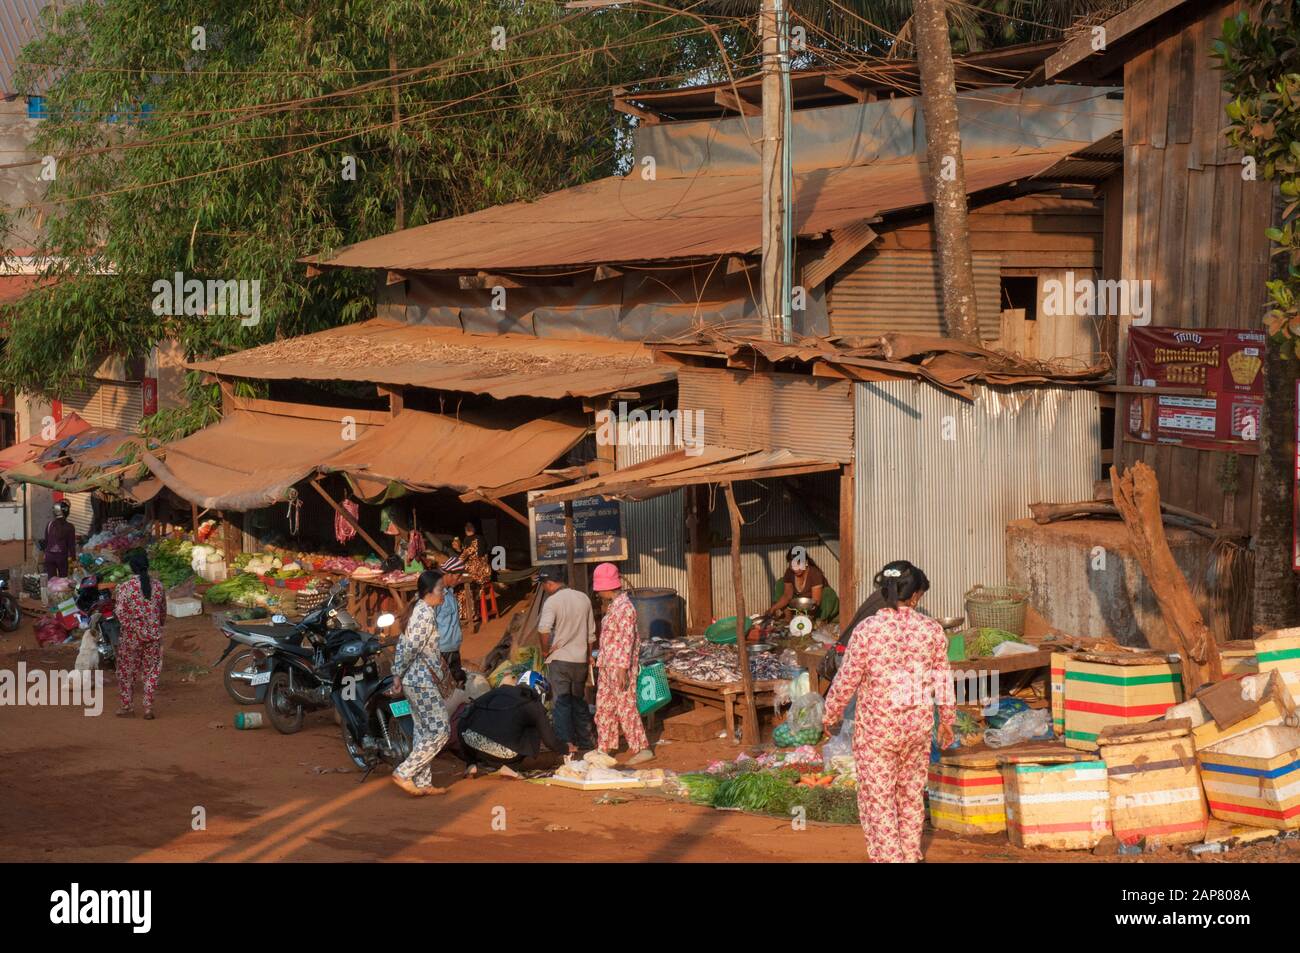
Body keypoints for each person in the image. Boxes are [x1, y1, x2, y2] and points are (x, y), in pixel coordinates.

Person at [822, 560, 954, 863]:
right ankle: (909, 856)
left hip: (877, 734)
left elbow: (847, 679)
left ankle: (891, 859)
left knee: (879, 801)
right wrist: (947, 720)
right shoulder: (931, 630)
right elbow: (943, 679)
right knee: (910, 798)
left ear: (884, 591)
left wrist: (831, 714)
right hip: (917, 730)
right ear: (916, 595)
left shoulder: (867, 630)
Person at [391, 570, 454, 797]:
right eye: (440, 589)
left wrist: (398, 673)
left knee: (423, 731)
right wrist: (397, 673)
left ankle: (423, 783)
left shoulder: (419, 609)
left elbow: (403, 644)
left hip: (415, 680)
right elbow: (410, 647)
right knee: (441, 731)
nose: (444, 592)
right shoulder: (424, 614)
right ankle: (404, 772)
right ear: (428, 592)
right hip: (421, 682)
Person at [592, 562, 654, 765]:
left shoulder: (625, 608)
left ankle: (642, 748)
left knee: (626, 707)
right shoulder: (614, 607)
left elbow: (626, 640)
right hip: (607, 666)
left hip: (620, 667)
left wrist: (622, 669)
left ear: (606, 587)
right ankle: (604, 747)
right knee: (604, 707)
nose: (598, 593)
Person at [457, 671, 568, 778]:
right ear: (540, 689)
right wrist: (566, 749)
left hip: (471, 743)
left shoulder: (499, 691)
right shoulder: (534, 705)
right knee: (531, 729)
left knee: (470, 718)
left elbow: (471, 709)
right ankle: (511, 767)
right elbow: (550, 741)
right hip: (506, 756)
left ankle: (471, 764)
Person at [536, 568, 597, 752]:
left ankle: (567, 744)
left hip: (560, 660)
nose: (544, 589)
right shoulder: (583, 598)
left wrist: (545, 651)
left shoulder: (551, 602)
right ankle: (587, 742)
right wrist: (587, 656)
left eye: (544, 585)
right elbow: (591, 635)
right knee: (579, 701)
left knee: (561, 703)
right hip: (580, 660)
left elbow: (543, 630)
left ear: (549, 583)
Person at [114, 551, 166, 720]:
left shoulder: (125, 587)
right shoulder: (158, 586)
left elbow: (120, 614)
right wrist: (154, 627)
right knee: (151, 671)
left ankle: (127, 706)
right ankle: (148, 708)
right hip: (154, 636)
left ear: (131, 567)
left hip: (131, 637)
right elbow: (162, 613)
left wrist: (135, 629)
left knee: (126, 671)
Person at [768, 547, 839, 623]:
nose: (795, 569)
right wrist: (773, 608)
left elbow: (816, 601)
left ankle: (818, 620)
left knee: (828, 593)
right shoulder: (789, 572)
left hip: (817, 607)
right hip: (799, 604)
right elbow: (787, 596)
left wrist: (806, 618)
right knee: (780, 583)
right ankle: (788, 617)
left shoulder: (814, 573)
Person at [452, 521, 492, 630]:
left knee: (462, 587)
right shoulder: (481, 538)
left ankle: (470, 614)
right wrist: (459, 550)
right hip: (485, 572)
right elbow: (469, 554)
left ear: (466, 531)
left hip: (477, 574)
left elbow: (464, 556)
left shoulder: (470, 540)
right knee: (465, 584)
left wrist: (451, 564)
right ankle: (474, 613)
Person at [435, 555, 467, 689]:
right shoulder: (437, 596)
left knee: (458, 682)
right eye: (457, 576)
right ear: (448, 574)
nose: (459, 580)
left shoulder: (450, 592)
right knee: (446, 685)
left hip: (453, 647)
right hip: (442, 649)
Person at [39, 499, 77, 579]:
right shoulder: (70, 527)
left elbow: (46, 542)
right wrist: (74, 560)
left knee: (52, 581)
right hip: (62, 558)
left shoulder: (49, 524)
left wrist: (45, 554)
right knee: (63, 581)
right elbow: (71, 545)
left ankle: (50, 591)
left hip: (49, 557)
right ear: (66, 512)